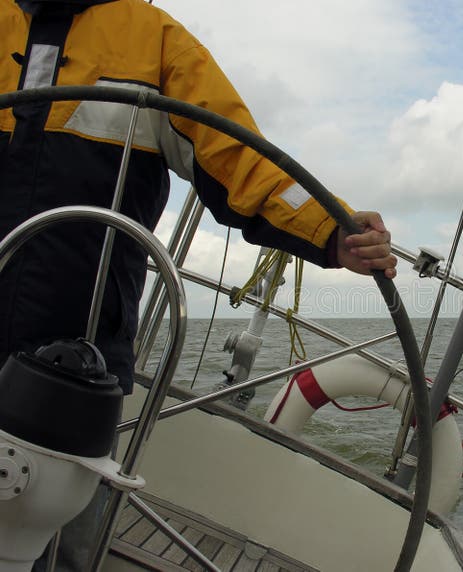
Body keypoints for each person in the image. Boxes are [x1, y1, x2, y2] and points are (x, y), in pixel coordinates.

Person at [0, 0, 396, 569]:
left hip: (82, 351)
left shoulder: (155, 42)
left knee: (62, 544)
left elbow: (239, 162)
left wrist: (333, 230)